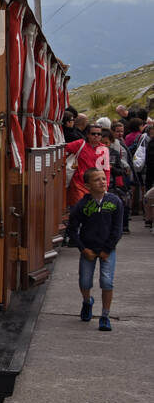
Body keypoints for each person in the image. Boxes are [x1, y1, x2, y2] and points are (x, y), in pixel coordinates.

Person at [66, 167, 123, 331]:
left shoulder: (114, 202)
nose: (102, 182)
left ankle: (105, 315)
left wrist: (108, 249)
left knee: (107, 281)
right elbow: (72, 228)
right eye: (97, 180)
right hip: (88, 248)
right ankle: (87, 301)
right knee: (84, 280)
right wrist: (83, 249)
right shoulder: (82, 205)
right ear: (87, 185)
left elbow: (117, 229)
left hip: (107, 250)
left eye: (103, 179)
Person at [64, 122, 110, 207]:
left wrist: (106, 185)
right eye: (93, 133)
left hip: (96, 184)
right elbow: (62, 149)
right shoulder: (80, 144)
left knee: (94, 210)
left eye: (99, 134)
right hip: (79, 183)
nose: (96, 136)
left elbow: (106, 169)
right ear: (88, 134)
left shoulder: (104, 149)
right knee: (80, 207)